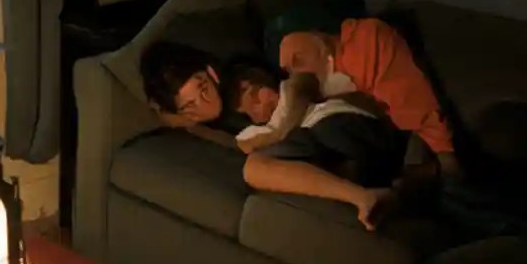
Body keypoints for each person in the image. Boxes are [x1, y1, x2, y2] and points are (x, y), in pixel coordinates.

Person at [139, 41, 397, 230]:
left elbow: (301, 82)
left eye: (203, 88)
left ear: (211, 73)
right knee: (254, 169)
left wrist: (280, 133)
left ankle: (384, 185)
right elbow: (234, 144)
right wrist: (188, 121)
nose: (202, 104)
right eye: (190, 105)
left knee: (302, 148)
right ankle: (367, 196)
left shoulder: (240, 77)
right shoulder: (208, 123)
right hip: (315, 144)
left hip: (337, 121)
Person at [267, 7, 460, 187]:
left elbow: (409, 98)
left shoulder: (365, 39)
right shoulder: (302, 87)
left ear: (318, 34)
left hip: (415, 140)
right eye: (289, 69)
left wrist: (443, 153)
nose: (296, 70)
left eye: (298, 57)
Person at [225, 63, 404, 190]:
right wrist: (277, 135)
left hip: (348, 123)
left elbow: (303, 85)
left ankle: (392, 172)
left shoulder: (291, 86)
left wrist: (284, 130)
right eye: (251, 112)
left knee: (322, 129)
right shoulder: (267, 128)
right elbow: (245, 144)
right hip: (324, 149)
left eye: (256, 96)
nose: (260, 109)